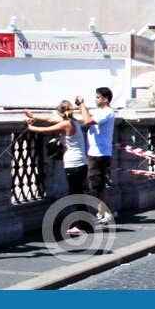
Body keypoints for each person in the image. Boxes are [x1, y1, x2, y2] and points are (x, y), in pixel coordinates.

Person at [25, 101, 88, 197]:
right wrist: (33, 116)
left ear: (60, 113)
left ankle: (81, 211)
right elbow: (50, 119)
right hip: (82, 163)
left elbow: (46, 130)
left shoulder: (66, 124)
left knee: (75, 194)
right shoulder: (74, 121)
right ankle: (83, 211)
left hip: (73, 164)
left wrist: (30, 127)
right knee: (78, 192)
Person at [78, 87, 117, 220]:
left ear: (105, 99)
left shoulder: (106, 112)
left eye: (98, 97)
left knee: (98, 185)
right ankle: (103, 213)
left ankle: (107, 212)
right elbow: (88, 118)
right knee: (99, 185)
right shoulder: (102, 112)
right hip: (98, 152)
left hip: (98, 153)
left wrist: (81, 104)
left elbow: (88, 121)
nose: (96, 99)